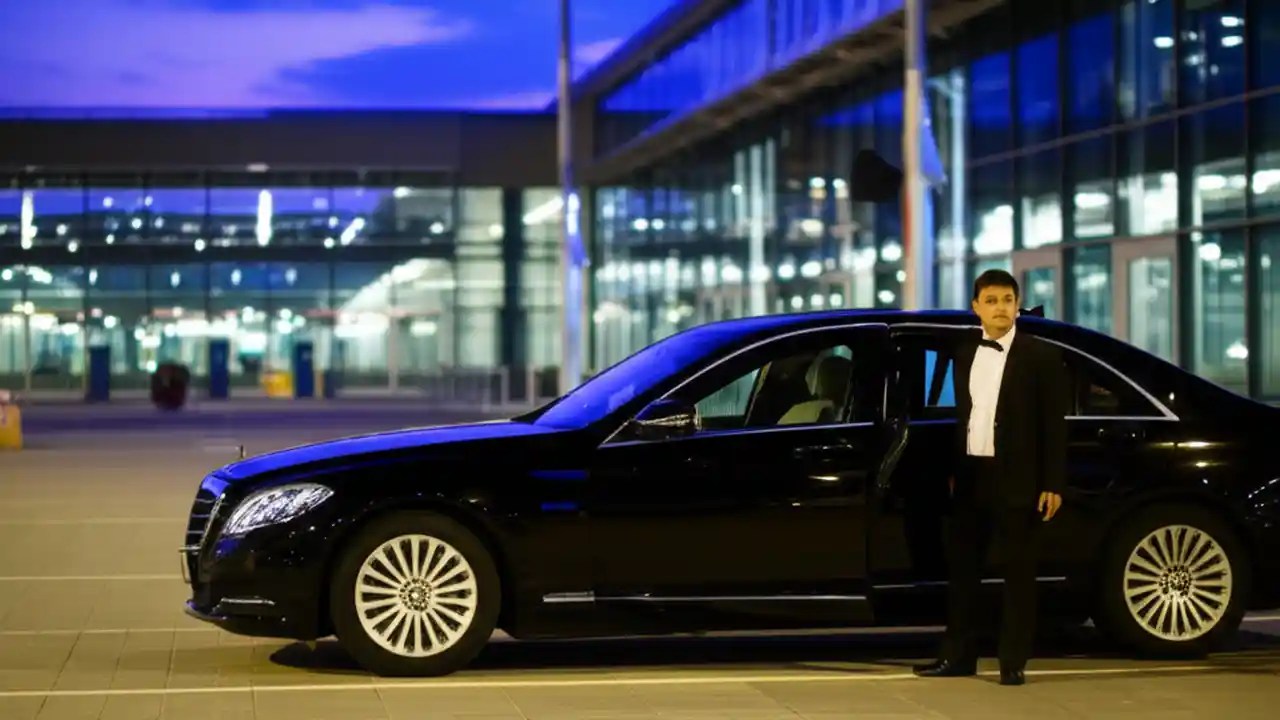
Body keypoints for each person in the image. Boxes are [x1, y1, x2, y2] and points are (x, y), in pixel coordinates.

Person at [913, 269, 1069, 686]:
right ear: (977, 307)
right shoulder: (965, 352)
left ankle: (1012, 661)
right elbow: (964, 417)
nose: (1001, 308)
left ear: (1018, 305)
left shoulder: (1041, 356)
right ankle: (958, 657)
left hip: (1019, 479)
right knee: (964, 574)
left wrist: (1052, 482)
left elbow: (1054, 425)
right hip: (971, 476)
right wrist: (953, 470)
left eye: (1008, 299)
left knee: (1017, 575)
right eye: (992, 300)